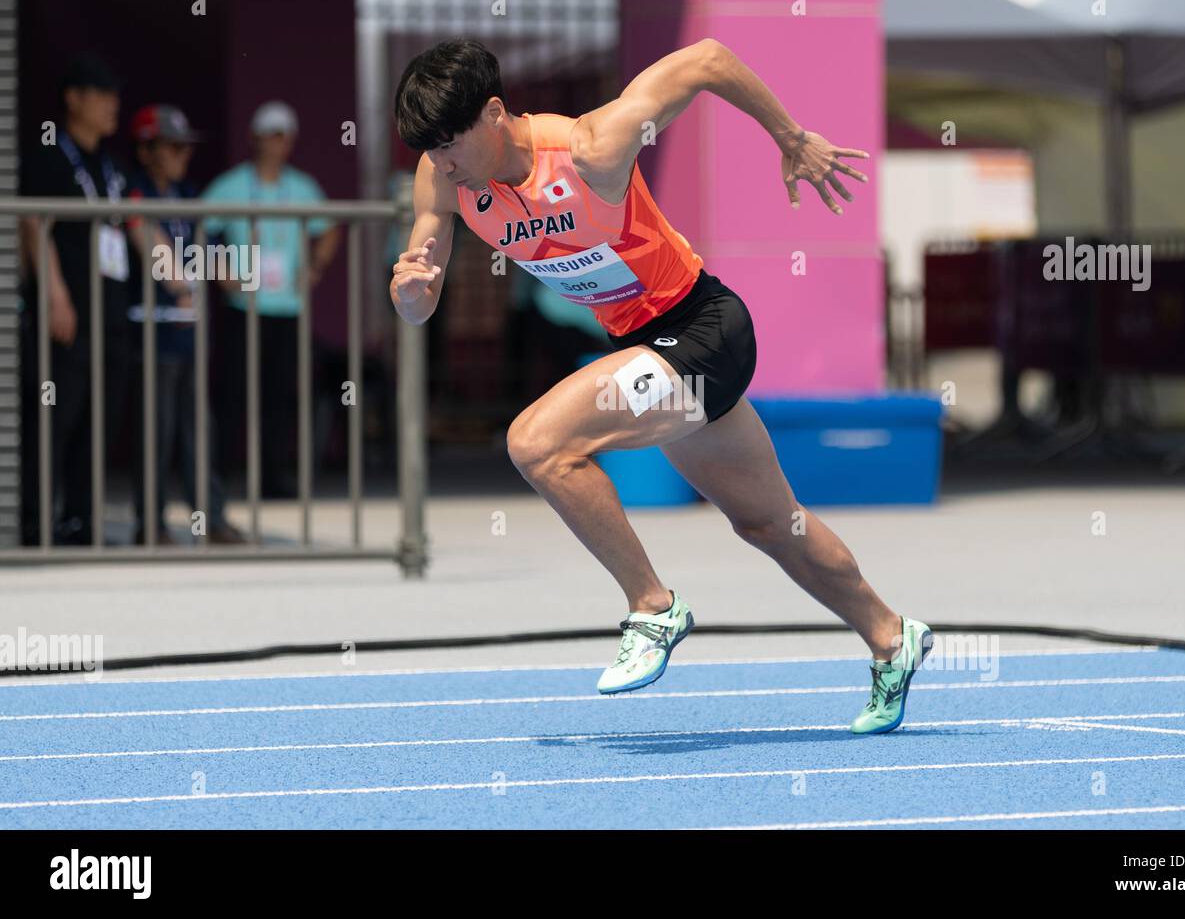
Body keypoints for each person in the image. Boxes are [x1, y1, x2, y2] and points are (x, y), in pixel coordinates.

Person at [390, 37, 932, 734]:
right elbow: (417, 298)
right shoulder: (443, 181)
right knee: (771, 522)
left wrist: (790, 138)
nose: (440, 163)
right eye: (428, 150)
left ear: (494, 112)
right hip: (649, 351)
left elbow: (706, 58)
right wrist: (412, 291)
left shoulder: (592, 147)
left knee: (537, 443)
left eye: (448, 144)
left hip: (704, 331)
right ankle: (891, 635)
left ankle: (652, 606)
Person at [18, 53, 131, 546]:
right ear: (74, 99)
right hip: (66, 317)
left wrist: (180, 275)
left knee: (97, 423)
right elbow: (33, 224)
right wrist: (55, 295)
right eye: (102, 96)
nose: (112, 106)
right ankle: (37, 523)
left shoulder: (110, 165)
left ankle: (82, 521)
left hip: (111, 316)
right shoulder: (47, 154)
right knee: (53, 420)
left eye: (114, 97)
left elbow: (136, 224)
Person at [201, 101, 340, 498]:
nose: (275, 143)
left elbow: (331, 228)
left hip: (286, 308)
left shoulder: (302, 187)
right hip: (243, 308)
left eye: (282, 135)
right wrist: (219, 271)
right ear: (254, 138)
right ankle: (219, 477)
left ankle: (272, 478)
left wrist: (313, 267)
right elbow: (198, 229)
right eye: (268, 134)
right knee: (231, 393)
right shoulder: (230, 185)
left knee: (280, 396)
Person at [124, 104, 246, 545]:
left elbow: (212, 252)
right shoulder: (133, 191)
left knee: (200, 430)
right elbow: (145, 237)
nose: (182, 154)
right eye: (173, 146)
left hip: (189, 332)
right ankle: (150, 525)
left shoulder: (187, 194)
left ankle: (211, 518)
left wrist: (239, 277)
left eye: (185, 146)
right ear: (146, 151)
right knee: (156, 432)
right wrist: (178, 280)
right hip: (151, 332)